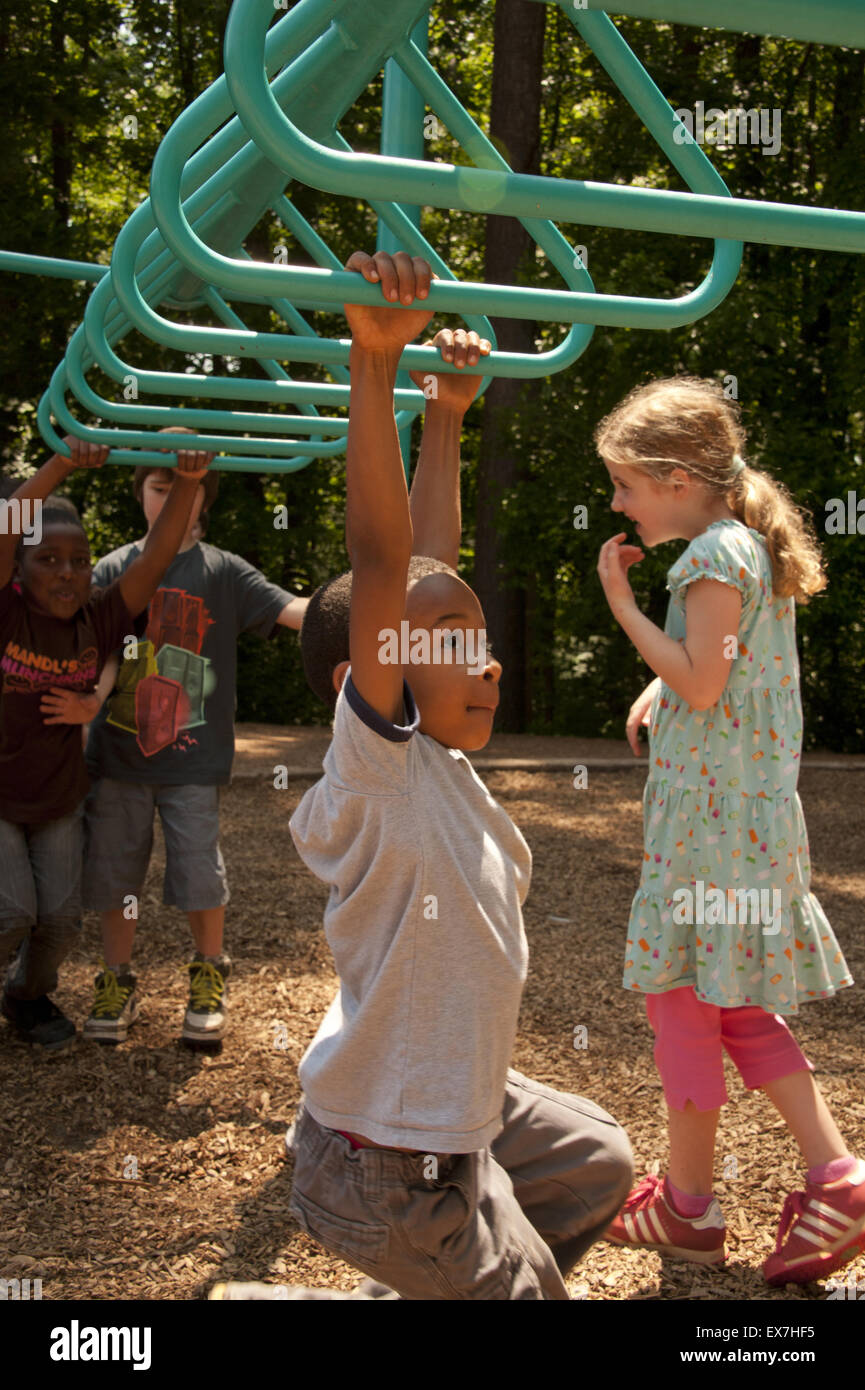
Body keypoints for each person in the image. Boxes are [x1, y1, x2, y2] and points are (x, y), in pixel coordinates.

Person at [216, 249, 633, 1302]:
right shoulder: (378, 768)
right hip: (386, 1166)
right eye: (451, 641)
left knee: (595, 1162)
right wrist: (371, 367)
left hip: (449, 1115)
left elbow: (425, 570)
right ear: (378, 669)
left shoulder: (432, 757)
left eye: (480, 634)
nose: (485, 657)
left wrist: (445, 413)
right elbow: (393, 568)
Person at [595, 375, 863, 1286]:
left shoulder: (707, 556)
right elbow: (724, 670)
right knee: (735, 1002)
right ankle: (837, 1178)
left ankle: (688, 1207)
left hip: (710, 831)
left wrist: (624, 609)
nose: (618, 501)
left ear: (675, 478)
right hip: (742, 823)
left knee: (680, 998)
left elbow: (704, 682)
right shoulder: (742, 544)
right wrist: (659, 681)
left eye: (626, 483)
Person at [79, 428, 309, 1048]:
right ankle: (117, 979)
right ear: (140, 494)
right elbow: (96, 653)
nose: (171, 498)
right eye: (160, 486)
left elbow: (294, 611)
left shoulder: (223, 571)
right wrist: (88, 703)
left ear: (204, 496)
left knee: (199, 874)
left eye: (184, 486)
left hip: (192, 760)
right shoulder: (114, 567)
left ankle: (208, 973)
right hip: (119, 757)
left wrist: (367, 598)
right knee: (116, 874)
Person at [0, 434, 212, 1048]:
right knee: (13, 911)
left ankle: (26, 998)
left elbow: (159, 552)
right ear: (19, 567)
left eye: (79, 559)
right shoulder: (6, 613)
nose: (67, 571)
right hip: (2, 795)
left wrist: (189, 481)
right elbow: (10, 523)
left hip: (60, 797)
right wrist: (62, 462)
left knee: (61, 921)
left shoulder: (102, 616)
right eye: (47, 560)